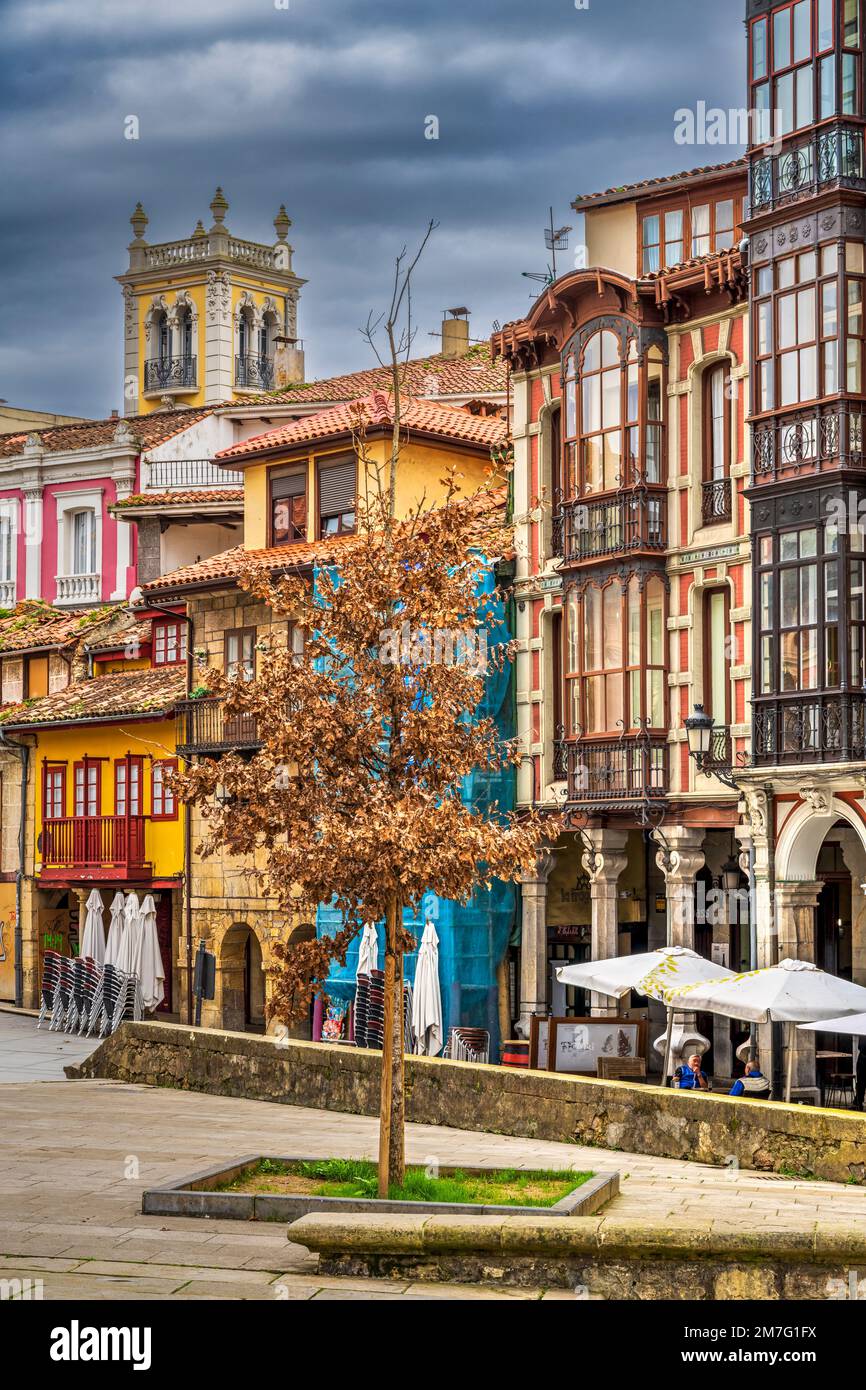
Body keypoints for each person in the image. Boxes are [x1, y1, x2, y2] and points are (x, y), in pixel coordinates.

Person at [853, 1039, 866, 1111]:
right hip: (862, 1061)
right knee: (861, 1083)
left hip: (862, 1060)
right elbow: (860, 1046)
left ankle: (858, 1102)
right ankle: (858, 1103)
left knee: (861, 1083)